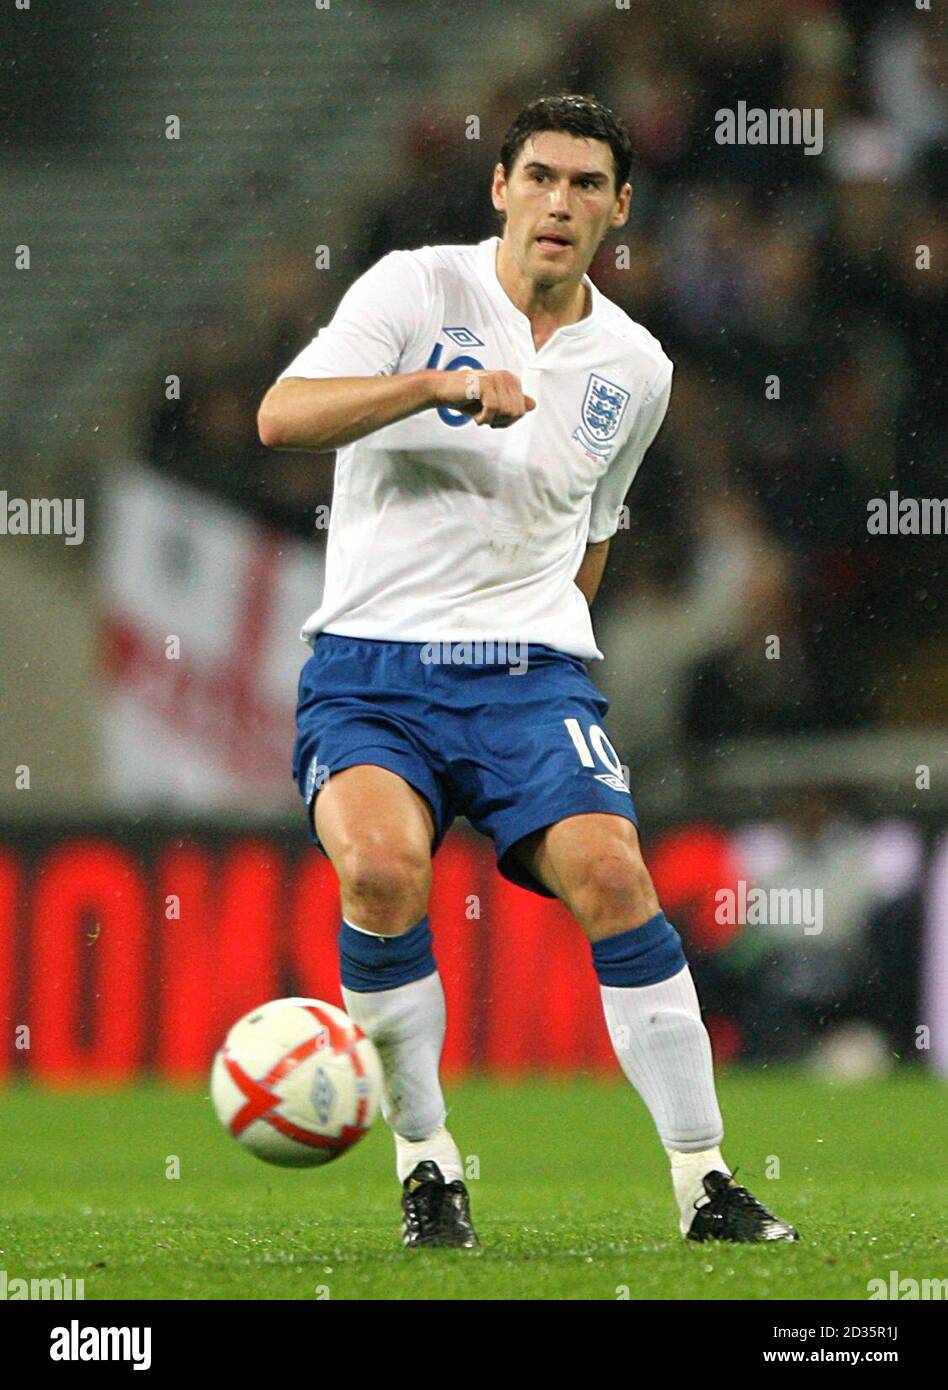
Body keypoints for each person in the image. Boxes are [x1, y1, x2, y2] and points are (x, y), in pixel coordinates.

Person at [257, 93, 797, 1248]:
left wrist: (544, 644)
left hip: (527, 677)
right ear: (499, 186)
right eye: (540, 176)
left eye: (587, 184)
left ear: (619, 208)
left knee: (616, 879)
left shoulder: (635, 369)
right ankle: (425, 1159)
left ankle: (704, 1180)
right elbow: (280, 414)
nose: (561, 202)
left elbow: (592, 534)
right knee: (382, 874)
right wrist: (431, 387)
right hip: (372, 670)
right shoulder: (415, 290)